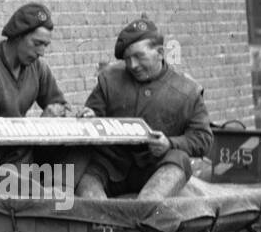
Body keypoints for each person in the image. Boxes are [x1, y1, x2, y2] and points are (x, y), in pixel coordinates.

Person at [76, 17, 213, 198]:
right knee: (87, 187)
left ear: (161, 53)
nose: (132, 65)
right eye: (127, 59)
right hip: (110, 168)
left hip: (156, 167)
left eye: (139, 57)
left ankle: (145, 208)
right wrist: (89, 116)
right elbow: (92, 116)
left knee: (178, 160)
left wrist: (170, 143)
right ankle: (103, 218)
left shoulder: (188, 91)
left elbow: (203, 138)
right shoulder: (109, 80)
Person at [0, 2, 83, 163]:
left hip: (21, 150)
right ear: (18, 36)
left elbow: (59, 104)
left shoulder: (37, 67)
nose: (41, 52)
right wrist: (40, 126)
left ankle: (60, 186)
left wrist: (56, 112)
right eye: (37, 43)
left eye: (45, 45)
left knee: (80, 151)